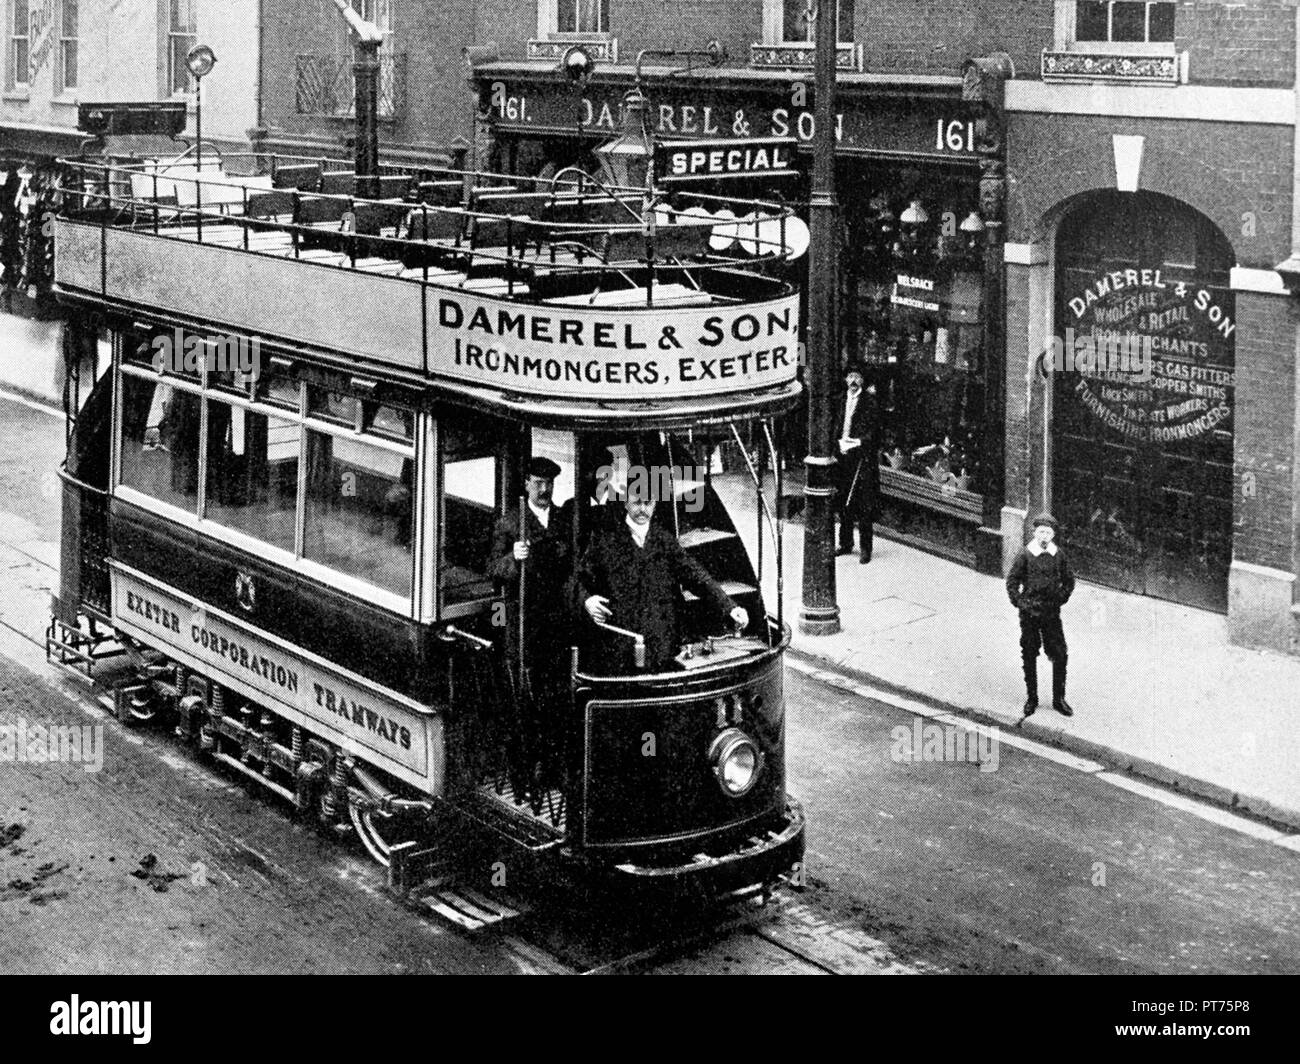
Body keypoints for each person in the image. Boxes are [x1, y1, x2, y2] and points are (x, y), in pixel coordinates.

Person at [575, 479, 748, 673]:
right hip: (620, 648)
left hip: (662, 647)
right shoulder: (604, 541)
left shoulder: (665, 541)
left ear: (655, 503)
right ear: (625, 503)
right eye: (637, 502)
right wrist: (587, 601)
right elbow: (578, 581)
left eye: (648, 503)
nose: (642, 509)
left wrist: (730, 607)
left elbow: (697, 577)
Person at [487, 456, 575, 688]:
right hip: (524, 616)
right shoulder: (511, 523)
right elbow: (493, 569)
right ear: (527, 484)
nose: (544, 489)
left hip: (557, 615)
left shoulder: (563, 520)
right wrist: (513, 557)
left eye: (549, 483)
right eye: (538, 483)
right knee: (525, 673)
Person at [1006, 513, 1076, 720]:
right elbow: (1012, 581)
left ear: (1053, 534)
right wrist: (1020, 603)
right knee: (1029, 653)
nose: (1044, 536)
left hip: (1051, 614)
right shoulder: (1026, 554)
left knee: (1060, 654)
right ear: (1034, 533)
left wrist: (1060, 599)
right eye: (1040, 532)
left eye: (1048, 532)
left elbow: (1069, 581)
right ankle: (1032, 698)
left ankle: (1059, 699)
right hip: (1030, 614)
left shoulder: (1059, 555)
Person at [834, 361, 879, 563]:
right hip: (842, 456)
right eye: (850, 376)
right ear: (845, 379)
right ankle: (845, 543)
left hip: (861, 459)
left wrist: (860, 441)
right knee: (844, 501)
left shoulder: (870, 402)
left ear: (862, 380)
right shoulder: (840, 399)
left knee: (863, 504)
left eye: (857, 377)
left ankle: (865, 549)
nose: (853, 380)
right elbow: (833, 425)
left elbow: (876, 432)